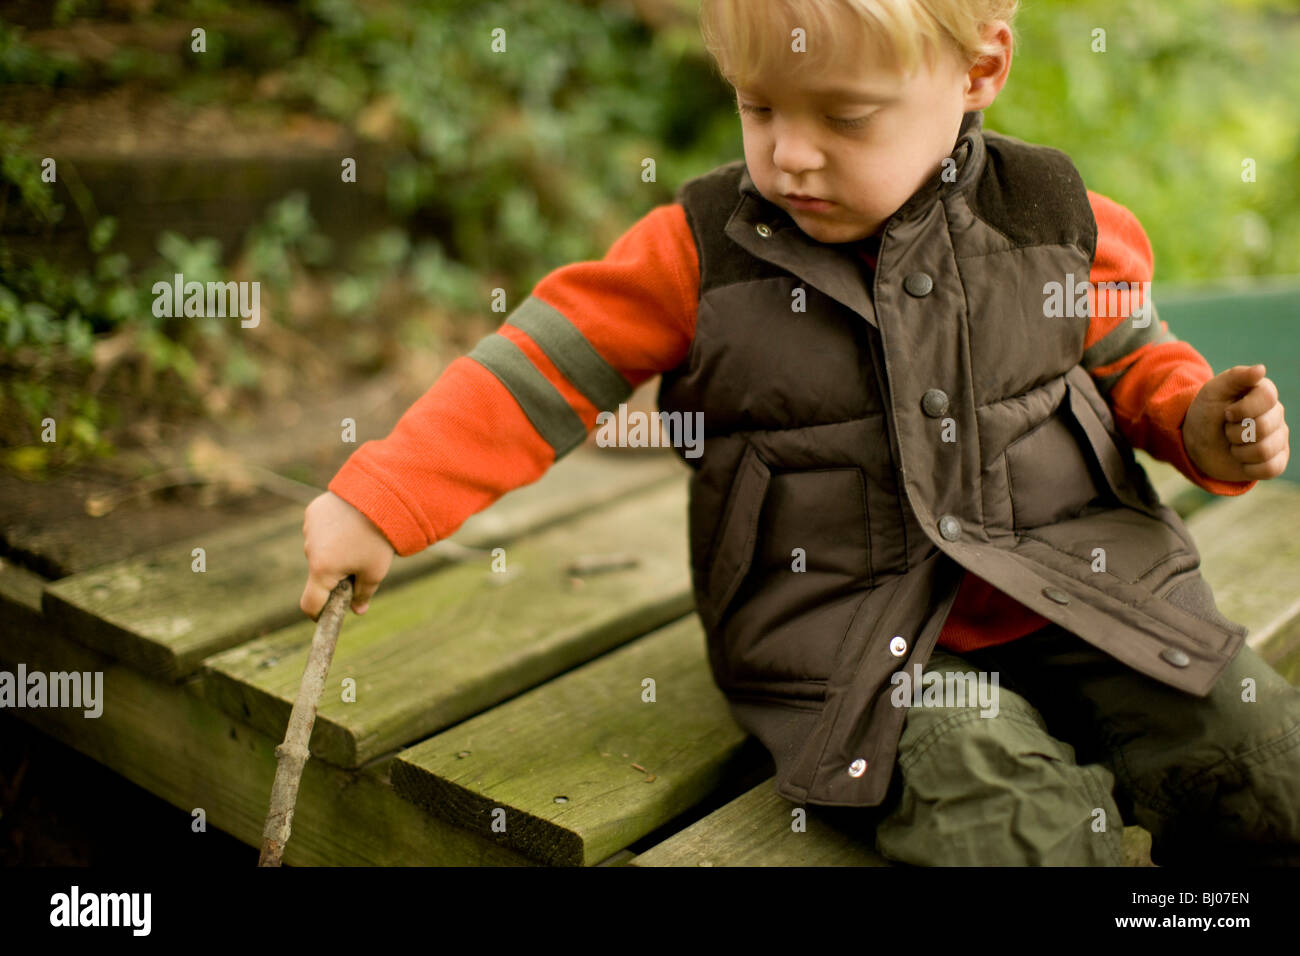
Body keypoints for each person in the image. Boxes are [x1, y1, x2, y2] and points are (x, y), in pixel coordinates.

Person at [300, 0, 1297, 865]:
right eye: (758, 106)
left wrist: (1199, 425)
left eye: (844, 115)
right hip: (856, 637)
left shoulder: (1054, 217)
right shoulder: (701, 251)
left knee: (1257, 752)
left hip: (1083, 591)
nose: (788, 153)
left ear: (978, 70)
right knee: (1005, 815)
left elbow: (1137, 359)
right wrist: (381, 500)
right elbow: (538, 369)